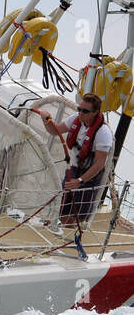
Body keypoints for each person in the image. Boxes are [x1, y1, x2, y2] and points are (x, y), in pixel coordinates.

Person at [40, 93, 113, 230]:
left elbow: (99, 164)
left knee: (80, 218)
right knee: (63, 210)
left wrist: (79, 181)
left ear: (95, 112)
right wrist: (46, 120)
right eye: (79, 109)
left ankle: (74, 241)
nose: (80, 113)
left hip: (90, 177)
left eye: (85, 111)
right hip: (73, 169)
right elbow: (54, 131)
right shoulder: (76, 119)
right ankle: (65, 234)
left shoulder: (103, 133)